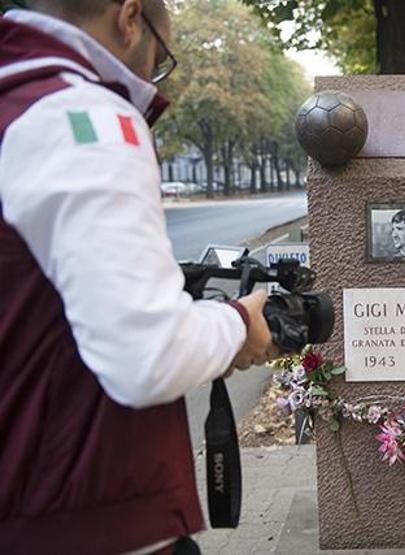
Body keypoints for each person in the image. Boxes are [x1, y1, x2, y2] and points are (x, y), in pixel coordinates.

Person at [0, 1, 278, 553]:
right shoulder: (84, 117)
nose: (152, 78)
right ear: (130, 18)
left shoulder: (15, 101)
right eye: (160, 59)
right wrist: (237, 325)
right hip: (86, 512)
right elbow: (147, 356)